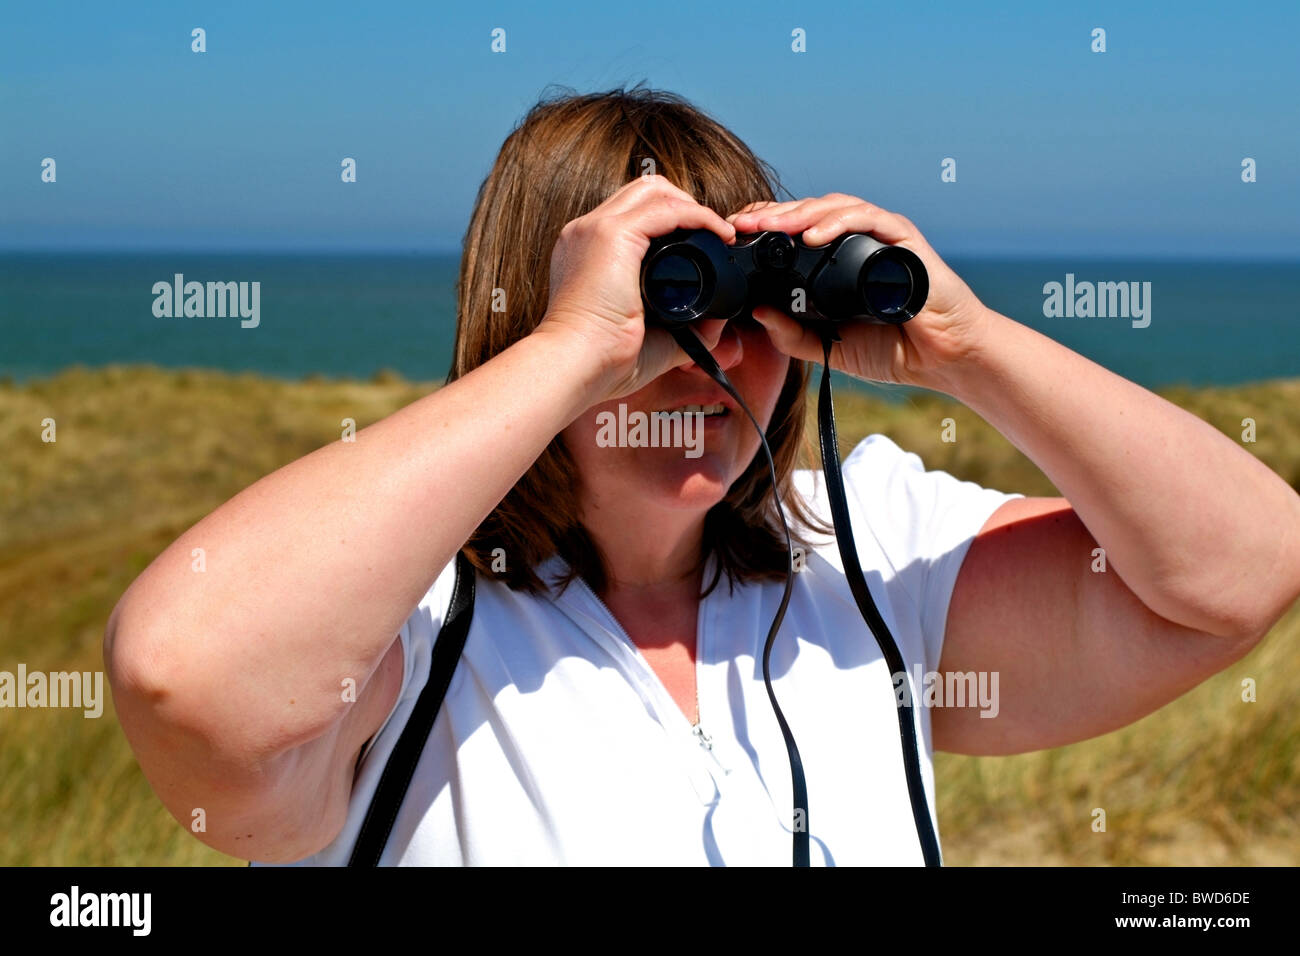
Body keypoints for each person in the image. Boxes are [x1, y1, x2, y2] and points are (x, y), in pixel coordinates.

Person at [104, 86, 1300, 866]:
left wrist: (969, 347)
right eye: (670, 303)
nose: (710, 359)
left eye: (747, 308)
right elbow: (185, 675)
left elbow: (1240, 569)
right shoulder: (410, 625)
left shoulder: (867, 556)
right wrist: (573, 352)